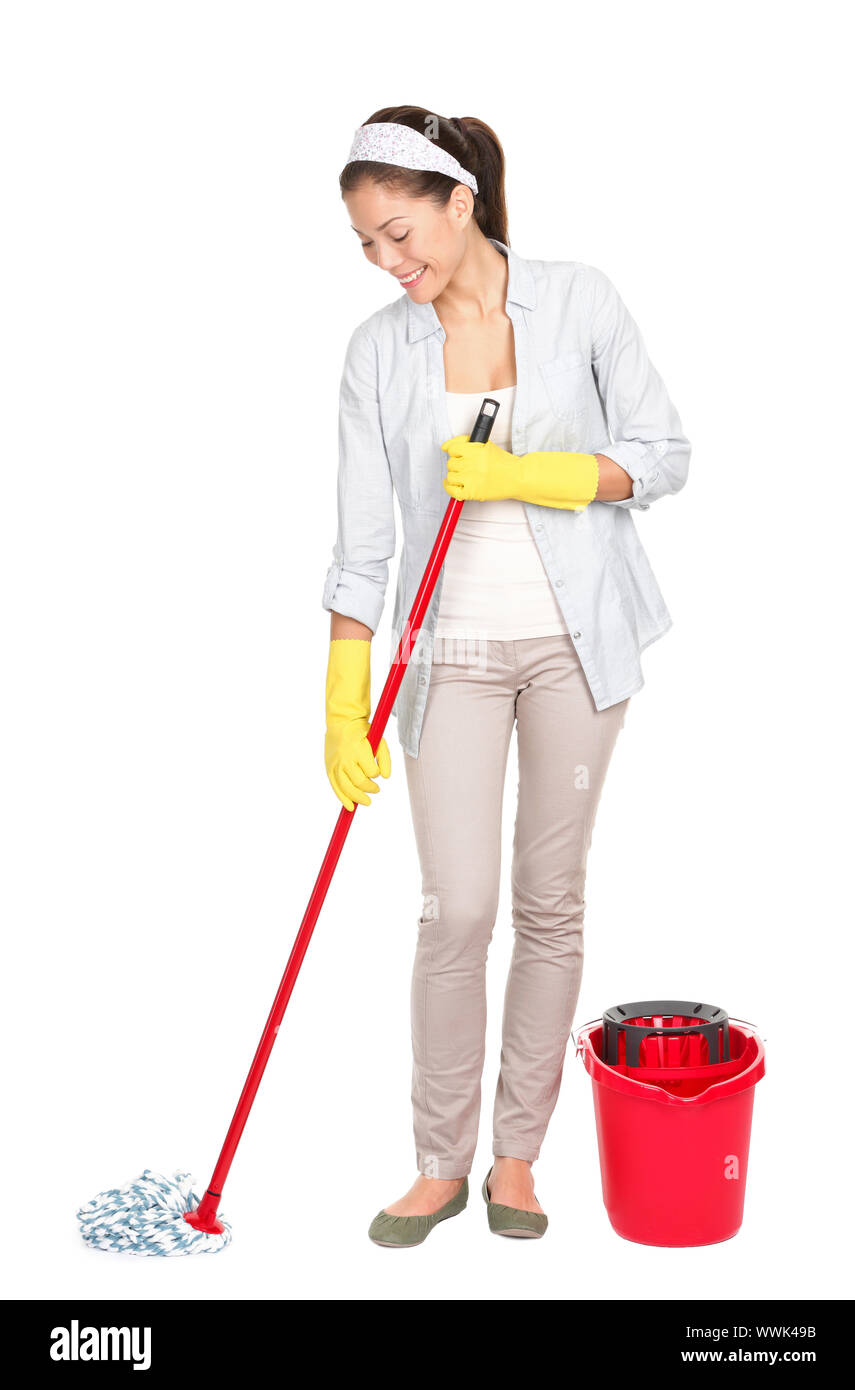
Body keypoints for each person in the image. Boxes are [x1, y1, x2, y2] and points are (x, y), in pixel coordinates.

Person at [322, 107, 691, 1245]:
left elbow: (663, 454)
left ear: (458, 202)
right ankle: (438, 1161)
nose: (390, 264)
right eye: (368, 247)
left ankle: (515, 1160)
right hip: (449, 660)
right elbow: (361, 539)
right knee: (455, 909)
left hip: (579, 652)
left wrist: (530, 474)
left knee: (546, 903)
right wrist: (344, 692)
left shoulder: (578, 298)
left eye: (400, 233)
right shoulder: (377, 350)